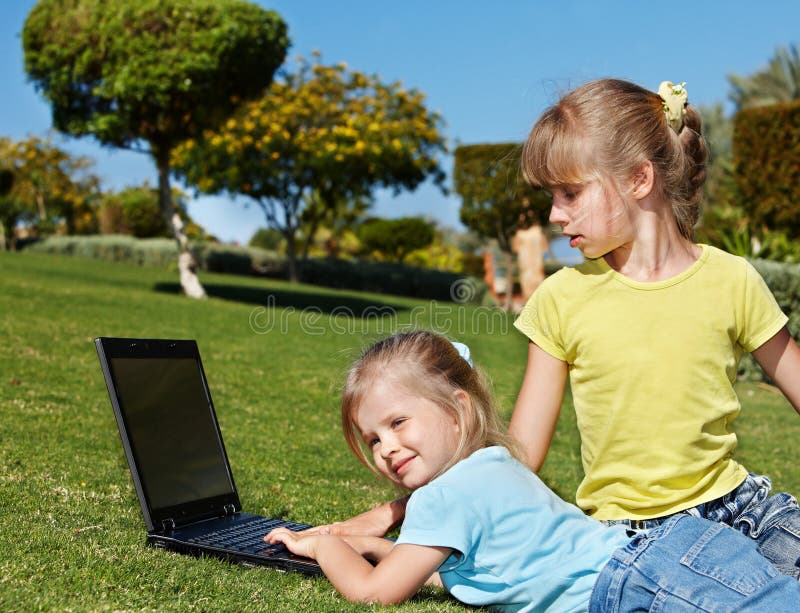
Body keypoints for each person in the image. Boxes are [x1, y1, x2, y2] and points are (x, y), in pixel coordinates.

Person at [265, 331, 800, 610]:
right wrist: (378, 547)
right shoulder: (494, 464)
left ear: (458, 409)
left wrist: (323, 546)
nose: (387, 447)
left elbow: (375, 593)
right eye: (374, 438)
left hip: (639, 584)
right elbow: (446, 566)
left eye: (399, 422)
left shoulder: (442, 498)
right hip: (668, 553)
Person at [509, 78, 800, 578]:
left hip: (743, 516)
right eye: (553, 196)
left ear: (640, 179)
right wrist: (414, 520)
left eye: (571, 193)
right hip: (631, 538)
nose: (555, 214)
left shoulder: (731, 280)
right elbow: (519, 458)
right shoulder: (560, 299)